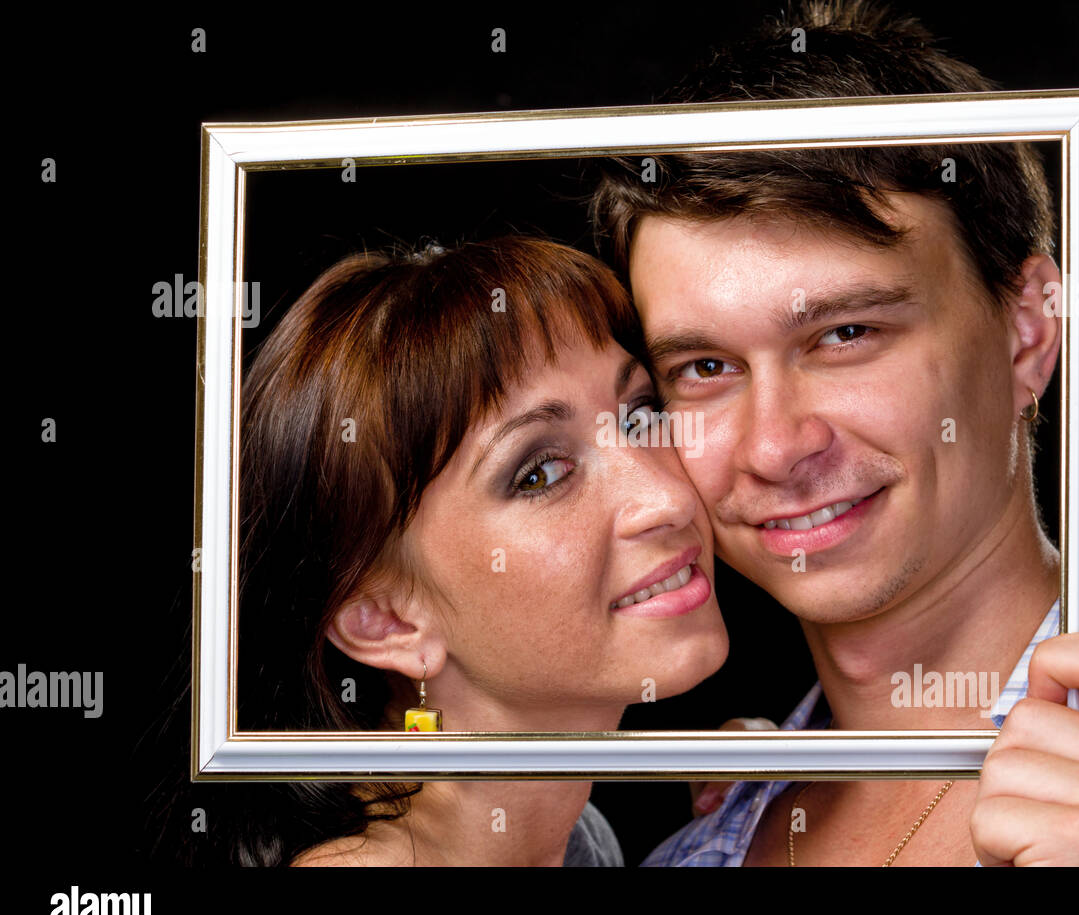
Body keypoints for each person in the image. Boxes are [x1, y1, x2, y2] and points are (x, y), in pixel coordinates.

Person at [589, 0, 1079, 865]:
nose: (774, 448)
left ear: (1029, 332)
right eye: (705, 368)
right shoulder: (691, 855)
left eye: (846, 335)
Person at [147, 234, 729, 866]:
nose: (667, 498)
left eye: (640, 416)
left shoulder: (574, 839)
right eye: (539, 472)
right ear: (386, 621)